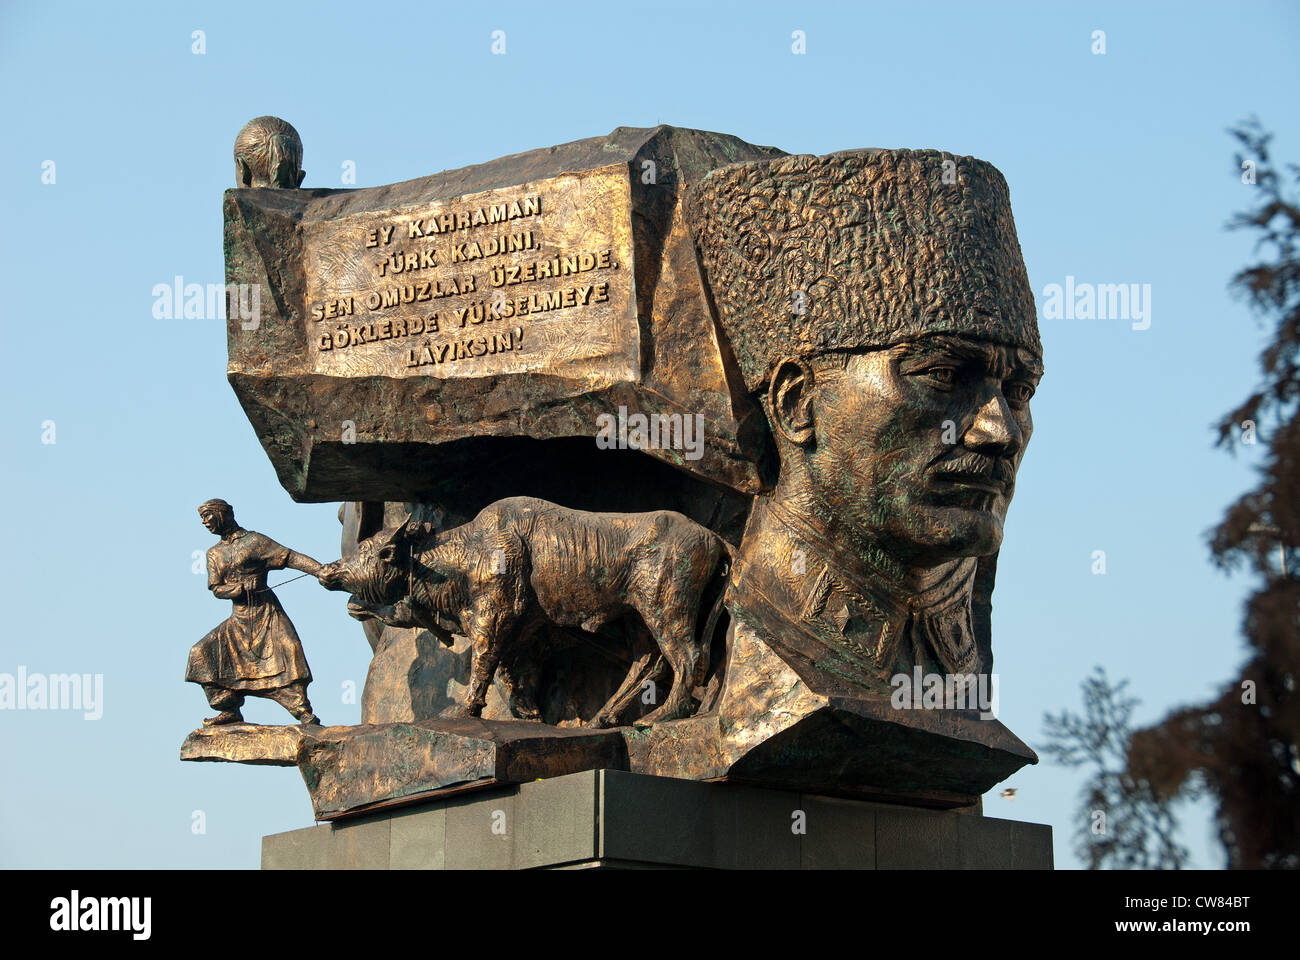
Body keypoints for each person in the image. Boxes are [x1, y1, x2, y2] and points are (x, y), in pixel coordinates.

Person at [689, 149, 1044, 692]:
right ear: (797, 403)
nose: (1001, 431)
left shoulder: (957, 667)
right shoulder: (745, 637)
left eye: (1019, 390)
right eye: (943, 376)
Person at [186, 498, 323, 725]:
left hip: (266, 614)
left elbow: (290, 557)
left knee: (289, 649)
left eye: (208, 515)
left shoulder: (254, 541)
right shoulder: (213, 553)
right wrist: (238, 588)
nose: (205, 522)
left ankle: (302, 711)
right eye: (202, 518)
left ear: (223, 514)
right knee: (199, 652)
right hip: (238, 620)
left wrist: (319, 570)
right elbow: (216, 589)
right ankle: (228, 707)